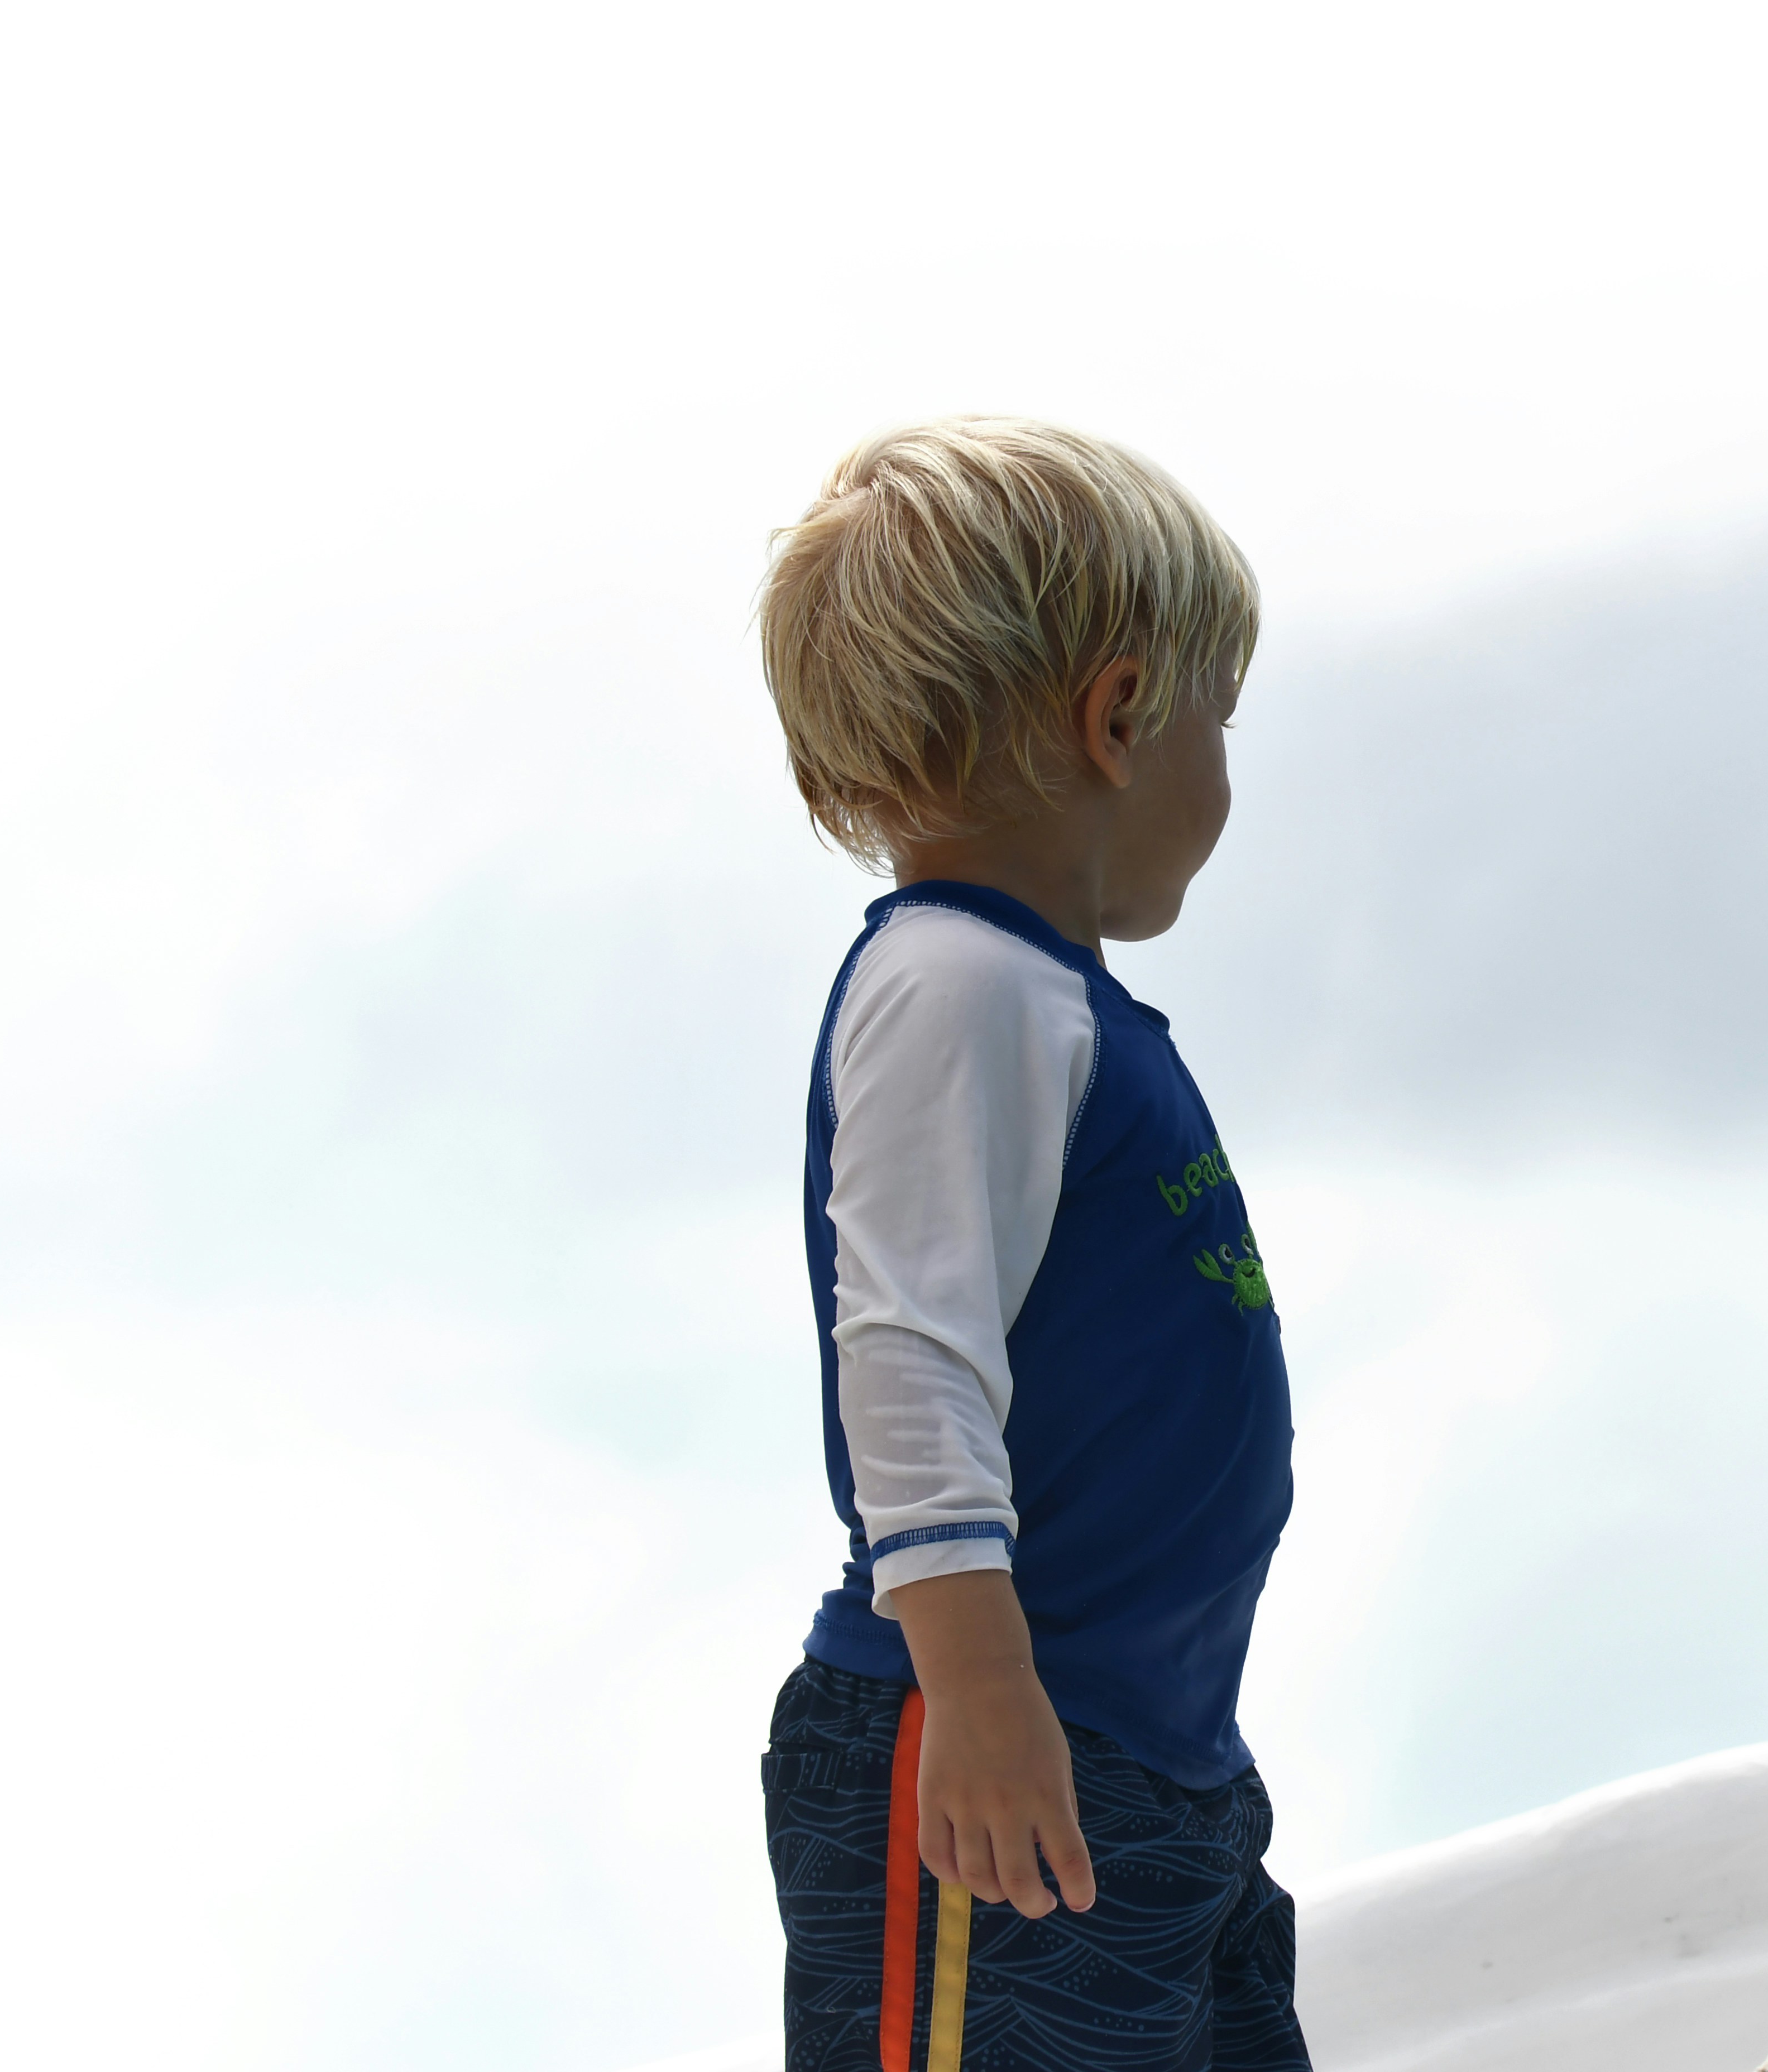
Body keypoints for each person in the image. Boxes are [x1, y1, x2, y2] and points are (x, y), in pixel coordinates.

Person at [754, 418, 1304, 2072]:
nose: (1226, 763)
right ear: (1120, 718)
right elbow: (908, 1356)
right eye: (1220, 716)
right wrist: (986, 1700)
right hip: (1006, 1748)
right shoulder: (959, 984)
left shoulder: (1044, 999)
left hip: (1146, 1754)